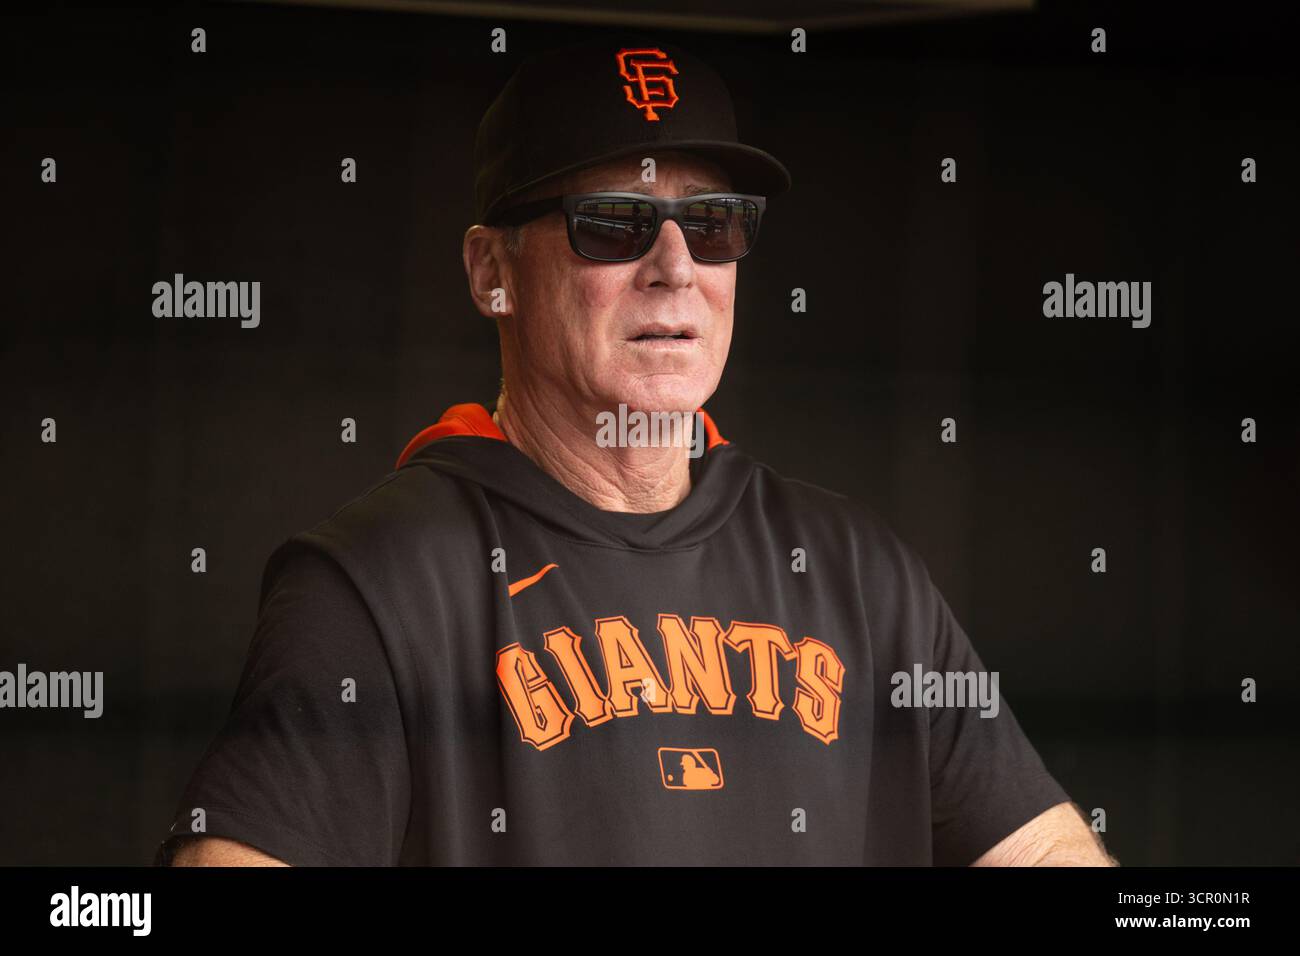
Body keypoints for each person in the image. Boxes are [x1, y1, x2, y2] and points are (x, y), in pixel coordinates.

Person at [157, 38, 1116, 866]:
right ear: (494, 272)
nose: (675, 269)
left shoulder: (854, 570)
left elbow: (1039, 847)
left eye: (712, 223)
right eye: (613, 222)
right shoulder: (377, 583)